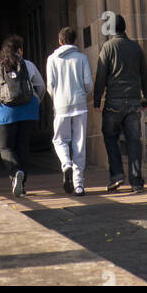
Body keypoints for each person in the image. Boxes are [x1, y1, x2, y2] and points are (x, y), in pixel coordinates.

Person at [93, 14, 147, 194]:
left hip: (114, 102)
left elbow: (101, 76)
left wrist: (97, 100)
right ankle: (136, 182)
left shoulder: (108, 47)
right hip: (134, 101)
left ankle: (117, 174)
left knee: (110, 137)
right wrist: (146, 97)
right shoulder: (136, 47)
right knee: (134, 141)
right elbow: (144, 74)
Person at [0, 35, 46, 197]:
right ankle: (21, 184)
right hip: (28, 111)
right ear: (20, 50)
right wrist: (34, 102)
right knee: (23, 147)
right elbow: (41, 86)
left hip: (6, 111)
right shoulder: (28, 65)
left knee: (5, 147)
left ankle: (15, 171)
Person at [46, 27, 93, 196]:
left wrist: (56, 98)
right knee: (79, 144)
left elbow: (50, 85)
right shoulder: (81, 58)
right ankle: (79, 184)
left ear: (60, 41)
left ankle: (66, 164)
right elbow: (88, 83)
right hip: (79, 104)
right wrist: (82, 93)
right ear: (75, 41)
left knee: (59, 140)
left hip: (61, 105)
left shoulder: (52, 59)